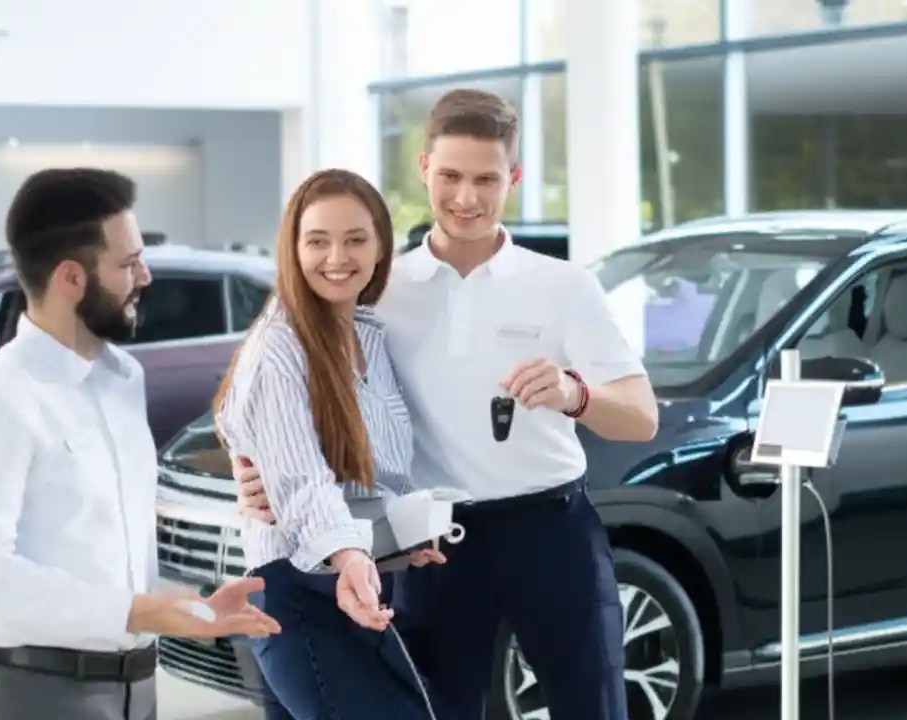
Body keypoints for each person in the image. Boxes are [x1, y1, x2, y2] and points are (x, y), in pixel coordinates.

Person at [235, 89, 659, 719]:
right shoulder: (376, 287)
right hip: (429, 542)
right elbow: (280, 379)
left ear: (514, 178)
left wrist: (576, 394)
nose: (467, 197)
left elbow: (642, 417)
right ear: (424, 169)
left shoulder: (565, 285)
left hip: (551, 531)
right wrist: (249, 467)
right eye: (451, 176)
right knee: (438, 711)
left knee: (594, 706)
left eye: (487, 179)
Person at [0, 167, 280, 720]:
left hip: (137, 688)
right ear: (71, 277)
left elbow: (108, 548)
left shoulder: (123, 379)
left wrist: (188, 609)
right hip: (36, 694)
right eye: (128, 263)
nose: (145, 277)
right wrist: (137, 611)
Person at [214, 167, 448, 720]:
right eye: (317, 241)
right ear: (292, 249)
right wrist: (347, 554)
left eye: (355, 239)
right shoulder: (279, 347)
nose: (337, 258)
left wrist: (400, 533)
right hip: (300, 591)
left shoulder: (368, 335)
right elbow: (302, 482)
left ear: (380, 247)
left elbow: (371, 471)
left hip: (360, 579)